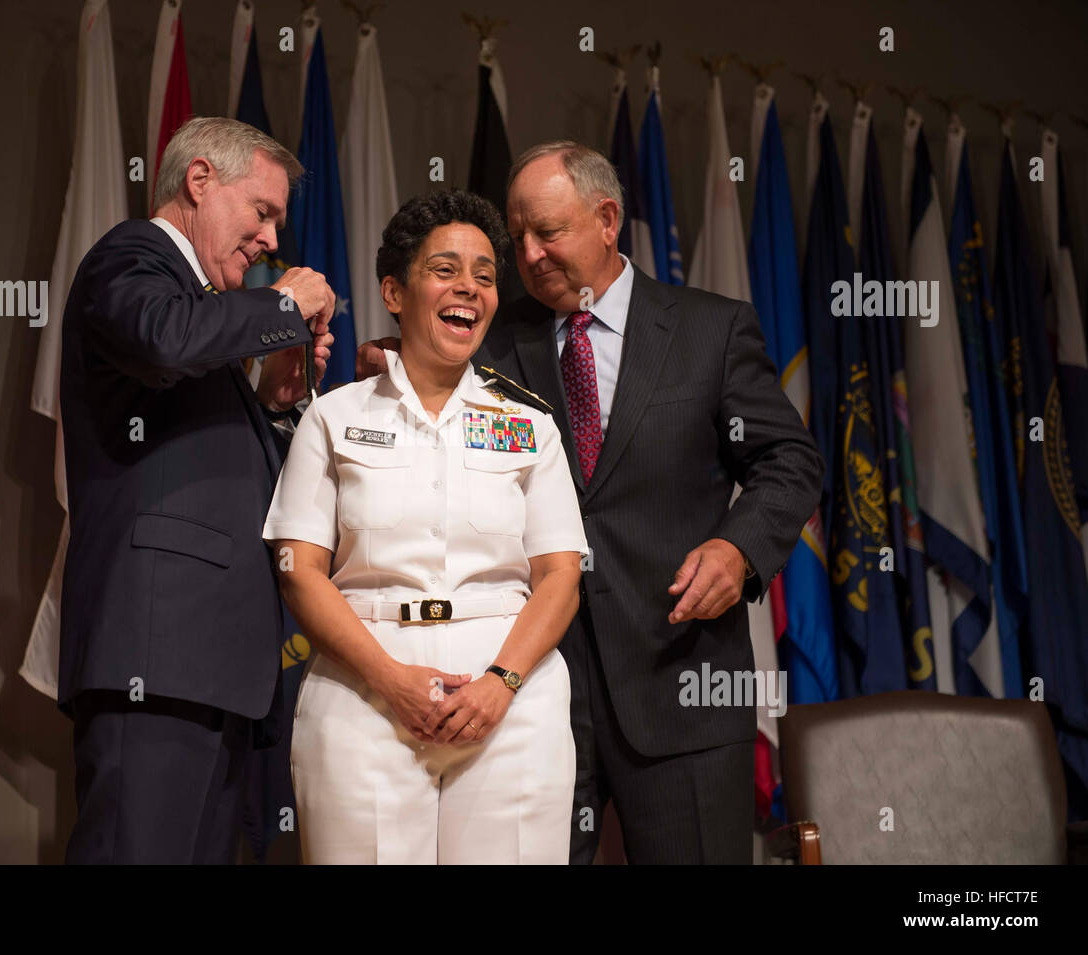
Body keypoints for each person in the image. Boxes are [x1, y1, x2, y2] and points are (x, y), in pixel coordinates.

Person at [359, 142, 823, 863]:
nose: (531, 254)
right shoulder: (491, 339)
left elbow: (789, 459)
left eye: (549, 232)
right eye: (519, 240)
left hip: (681, 688)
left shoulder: (711, 330)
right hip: (532, 698)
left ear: (607, 219)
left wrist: (739, 546)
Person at [263, 191, 588, 864]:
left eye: (485, 274)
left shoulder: (529, 424)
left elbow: (560, 576)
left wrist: (501, 682)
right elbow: (299, 571)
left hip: (511, 706)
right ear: (394, 290)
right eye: (445, 269)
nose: (468, 285)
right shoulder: (332, 417)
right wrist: (390, 678)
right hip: (362, 699)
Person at [58, 117, 335, 864]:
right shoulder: (133, 254)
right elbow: (161, 338)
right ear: (201, 180)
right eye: (263, 211)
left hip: (214, 671)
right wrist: (282, 307)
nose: (273, 239)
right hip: (158, 657)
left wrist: (274, 402)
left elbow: (213, 468)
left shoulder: (201, 312)